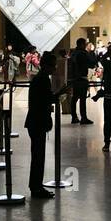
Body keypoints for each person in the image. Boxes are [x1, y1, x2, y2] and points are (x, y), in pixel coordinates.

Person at [24, 50, 68, 198]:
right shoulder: (43, 79)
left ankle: (36, 185)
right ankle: (36, 188)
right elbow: (46, 99)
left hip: (35, 121)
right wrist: (61, 91)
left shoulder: (40, 78)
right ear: (48, 66)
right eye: (54, 65)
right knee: (38, 156)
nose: (55, 68)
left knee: (38, 155)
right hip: (37, 121)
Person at [69, 37, 94, 123]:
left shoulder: (73, 53)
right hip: (82, 78)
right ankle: (83, 117)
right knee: (82, 98)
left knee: (75, 97)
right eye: (85, 44)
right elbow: (91, 64)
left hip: (74, 78)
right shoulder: (83, 53)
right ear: (82, 44)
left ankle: (74, 117)